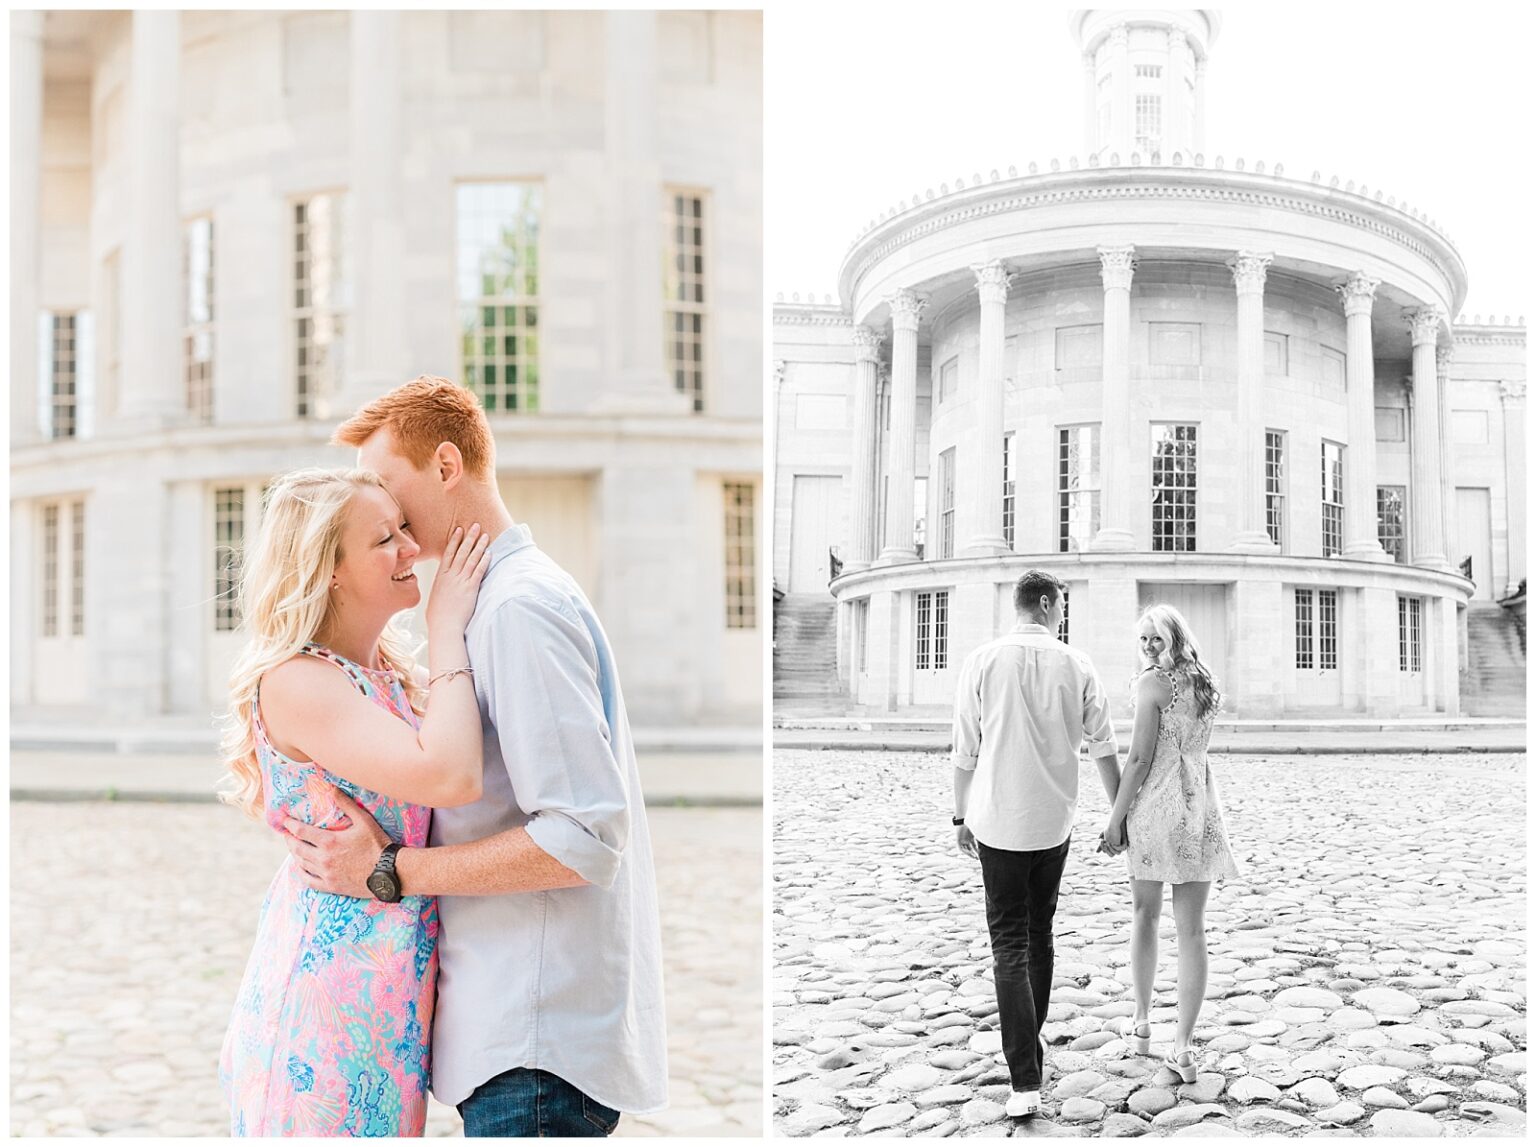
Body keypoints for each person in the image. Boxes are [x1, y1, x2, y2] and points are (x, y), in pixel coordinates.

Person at [279, 376, 667, 1137]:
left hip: (534, 1043)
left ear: (447, 465)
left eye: (390, 489)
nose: (391, 520)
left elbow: (585, 836)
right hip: (516, 1036)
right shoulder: (498, 601)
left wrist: (390, 870)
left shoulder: (517, 607)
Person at [217, 468, 493, 1136]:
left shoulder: (387, 677)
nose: (410, 546)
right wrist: (447, 621)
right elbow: (450, 775)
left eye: (403, 527)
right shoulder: (298, 681)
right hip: (324, 1010)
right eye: (383, 538)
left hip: (385, 1004)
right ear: (329, 570)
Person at [952, 569, 1122, 1118]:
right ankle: (1031, 1039)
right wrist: (1119, 814)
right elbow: (1103, 747)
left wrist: (959, 816)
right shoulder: (1077, 664)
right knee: (1039, 931)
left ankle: (1024, 1077)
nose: (1062, 614)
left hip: (997, 820)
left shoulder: (981, 660)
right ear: (1046, 603)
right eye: (1061, 605)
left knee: (1008, 942)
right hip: (1052, 822)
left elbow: (965, 748)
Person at [1101, 604, 1241, 1084]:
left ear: (1175, 638)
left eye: (1156, 639)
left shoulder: (1151, 685)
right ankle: (1182, 1046)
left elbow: (1139, 758)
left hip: (1159, 804)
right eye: (1143, 640)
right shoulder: (1205, 683)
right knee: (1192, 931)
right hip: (1200, 803)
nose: (1148, 648)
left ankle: (1142, 1023)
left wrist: (1115, 818)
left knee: (1145, 915)